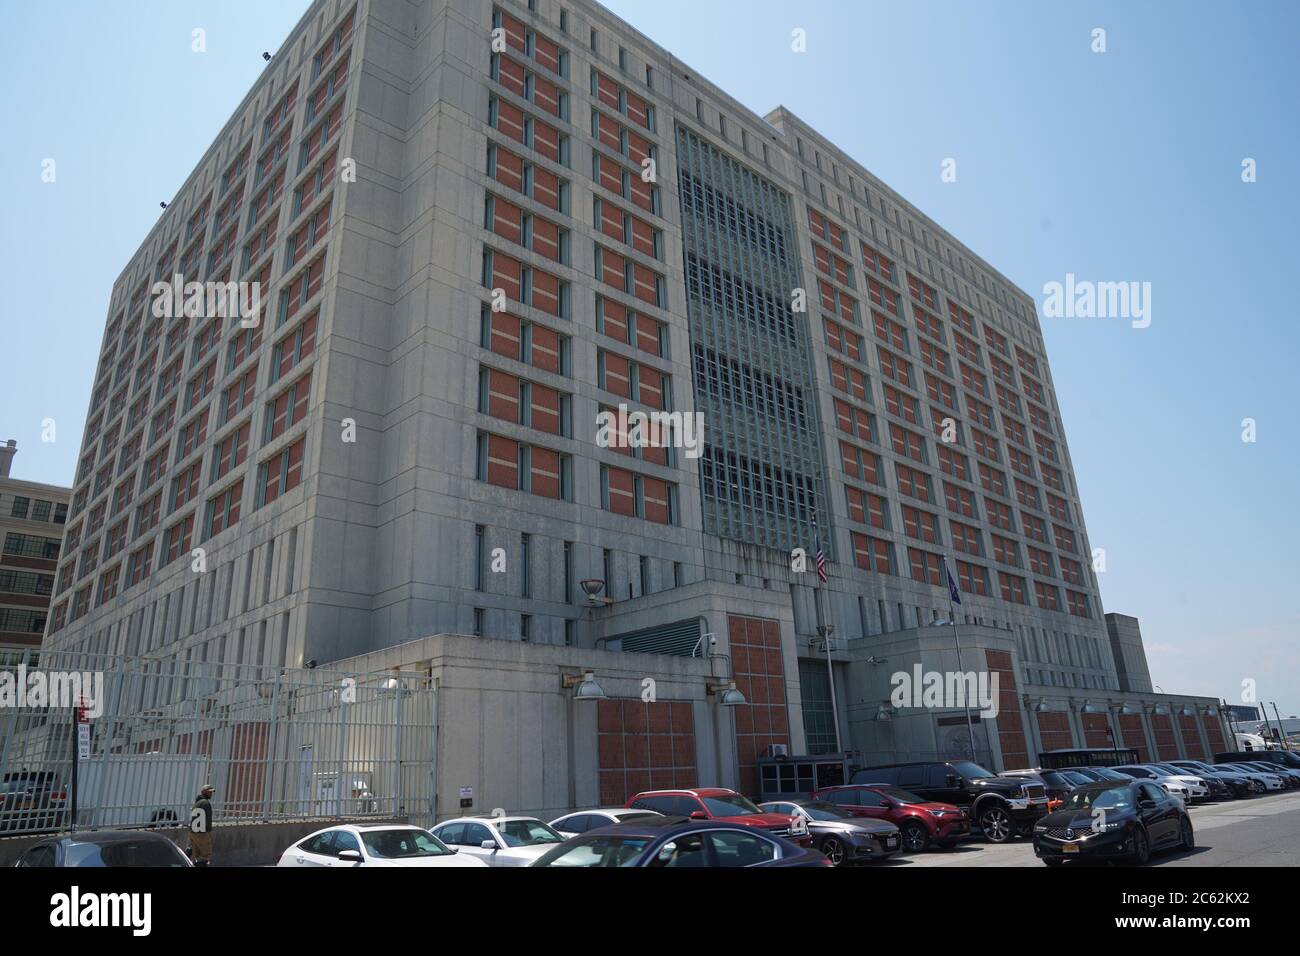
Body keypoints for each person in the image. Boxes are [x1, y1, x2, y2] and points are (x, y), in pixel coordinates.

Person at [190, 784, 215, 866]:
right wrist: (209, 830)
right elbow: (208, 819)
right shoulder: (206, 803)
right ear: (204, 792)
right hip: (201, 832)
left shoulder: (197, 802)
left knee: (194, 855)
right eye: (209, 792)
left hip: (192, 831)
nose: (211, 794)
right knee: (206, 854)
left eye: (211, 792)